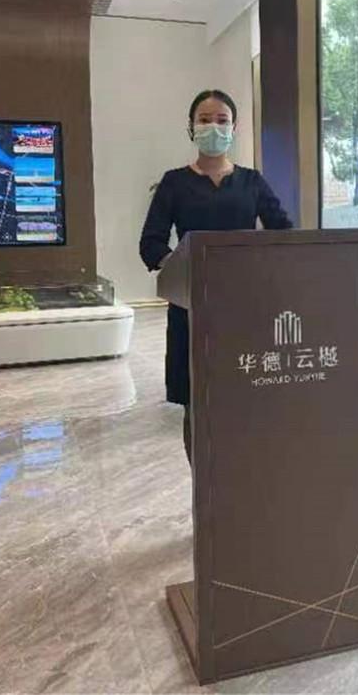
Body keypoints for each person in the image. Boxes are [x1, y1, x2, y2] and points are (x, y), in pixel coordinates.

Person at [139, 89, 292, 462]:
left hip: (245, 309)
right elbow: (150, 243)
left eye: (222, 120)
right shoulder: (174, 183)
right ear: (191, 128)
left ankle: (241, 478)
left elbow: (283, 233)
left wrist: (262, 267)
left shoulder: (252, 181)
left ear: (234, 128)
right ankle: (204, 483)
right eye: (205, 120)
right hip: (192, 309)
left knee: (244, 392)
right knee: (197, 401)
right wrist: (181, 268)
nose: (213, 127)